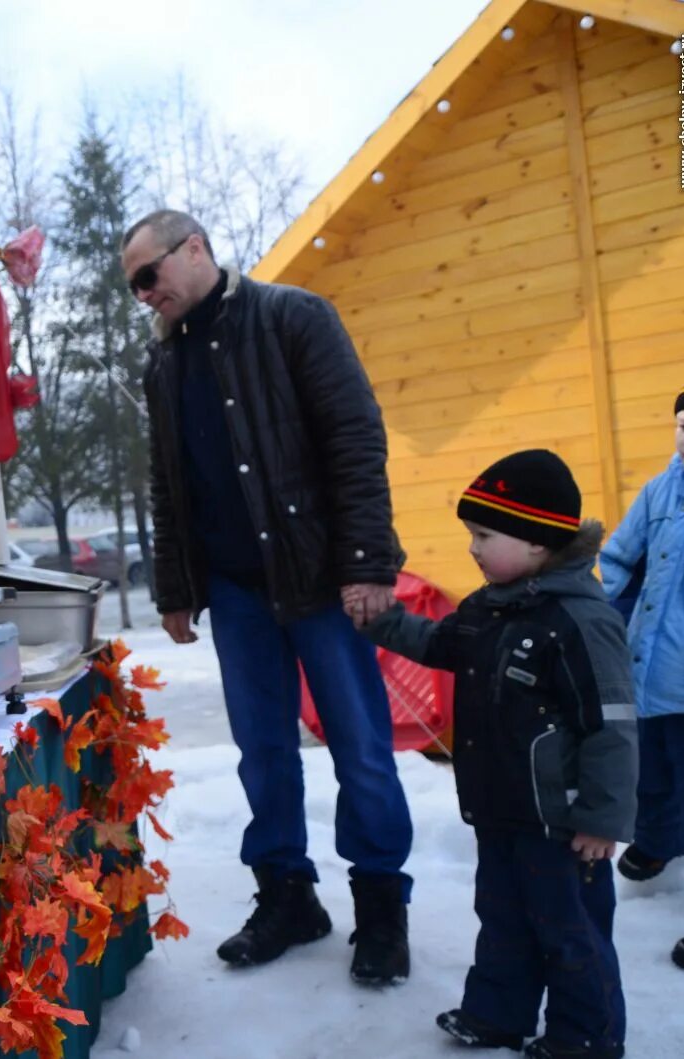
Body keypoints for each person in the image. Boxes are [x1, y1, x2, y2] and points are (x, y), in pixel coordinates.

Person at [121, 209, 413, 985]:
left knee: (362, 749)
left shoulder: (294, 316)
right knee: (264, 752)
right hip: (236, 593)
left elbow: (356, 437)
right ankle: (288, 896)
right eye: (133, 285)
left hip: (323, 578)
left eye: (149, 275)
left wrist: (366, 563)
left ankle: (382, 907)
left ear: (195, 250)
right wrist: (176, 587)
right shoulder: (164, 365)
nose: (143, 293)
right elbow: (167, 485)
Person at [366, 450, 636, 1059]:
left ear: (539, 543)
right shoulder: (488, 607)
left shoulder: (578, 620)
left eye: (484, 535)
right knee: (502, 918)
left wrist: (601, 817)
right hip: (499, 809)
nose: (472, 548)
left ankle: (585, 1037)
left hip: (563, 823)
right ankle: (497, 1015)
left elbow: (612, 727)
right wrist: (382, 622)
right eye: (472, 535)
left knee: (571, 933)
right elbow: (439, 644)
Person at [599, 371, 684, 973]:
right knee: (650, 777)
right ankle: (662, 842)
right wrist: (608, 622)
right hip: (646, 673)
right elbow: (619, 560)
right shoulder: (659, 492)